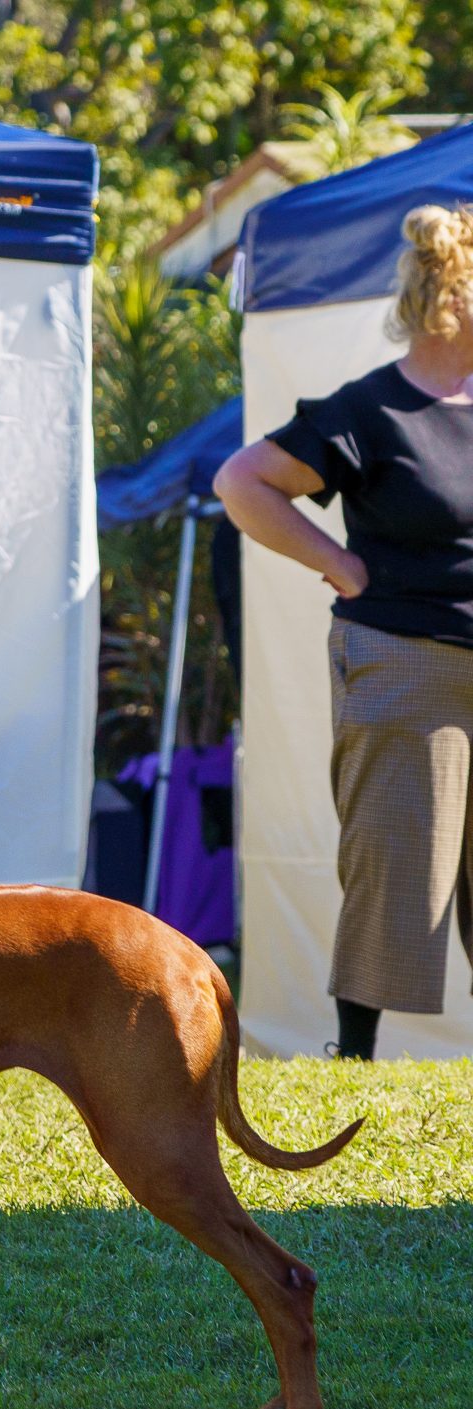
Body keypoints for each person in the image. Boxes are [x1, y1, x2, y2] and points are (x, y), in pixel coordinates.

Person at [214, 203, 473, 1062]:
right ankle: (353, 1058)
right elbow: (244, 481)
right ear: (455, 296)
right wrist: (341, 564)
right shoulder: (373, 411)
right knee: (397, 861)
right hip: (404, 660)